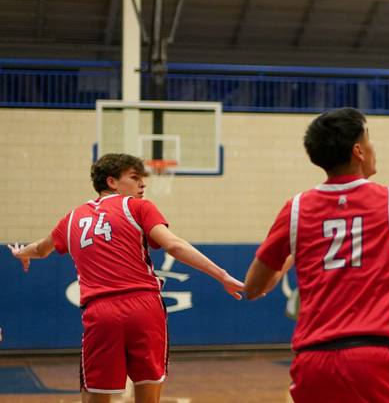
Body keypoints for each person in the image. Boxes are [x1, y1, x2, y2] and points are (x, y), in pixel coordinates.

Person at [242, 107, 389, 403]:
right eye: (370, 139)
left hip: (312, 364)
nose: (373, 147)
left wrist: (291, 255)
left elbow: (252, 288)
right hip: (372, 359)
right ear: (359, 151)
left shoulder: (296, 209)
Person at [7, 153, 244, 403]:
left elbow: (41, 248)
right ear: (112, 181)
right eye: (135, 177)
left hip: (100, 313)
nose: (143, 184)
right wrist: (222, 275)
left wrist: (21, 252)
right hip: (144, 308)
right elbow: (173, 245)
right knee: (148, 395)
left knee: (96, 396)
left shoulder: (72, 219)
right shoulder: (138, 207)